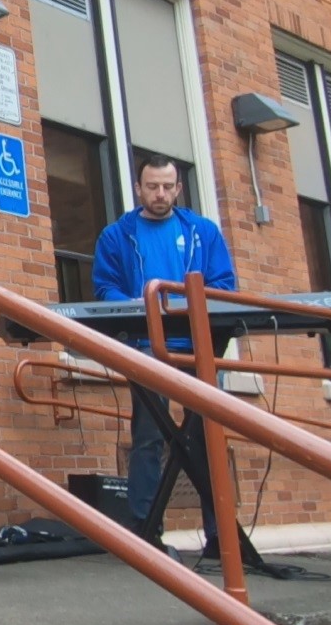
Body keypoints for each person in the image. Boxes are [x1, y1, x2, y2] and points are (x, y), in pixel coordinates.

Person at [91, 155, 237, 550]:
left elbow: (224, 284)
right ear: (138, 188)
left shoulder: (202, 233)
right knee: (147, 440)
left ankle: (222, 538)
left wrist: (186, 306)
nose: (160, 194)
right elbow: (105, 290)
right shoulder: (116, 236)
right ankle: (146, 535)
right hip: (145, 349)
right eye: (152, 186)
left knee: (208, 439)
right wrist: (144, 308)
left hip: (198, 352)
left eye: (167, 186)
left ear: (178, 188)